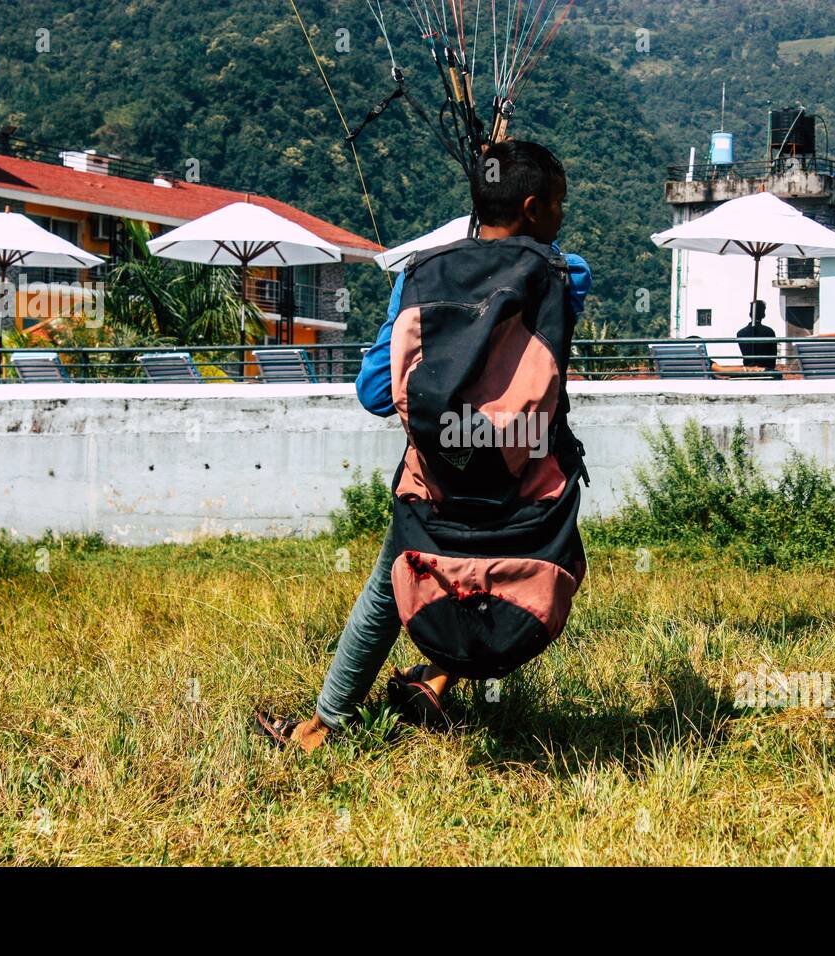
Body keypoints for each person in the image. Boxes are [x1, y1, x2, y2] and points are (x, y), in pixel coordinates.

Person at [254, 140, 592, 753]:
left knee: (389, 587)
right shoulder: (568, 278)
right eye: (559, 206)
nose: (562, 217)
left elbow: (376, 392)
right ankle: (436, 678)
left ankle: (324, 726)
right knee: (525, 566)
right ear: (534, 207)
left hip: (435, 488)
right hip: (528, 495)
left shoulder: (418, 278)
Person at [736, 299, 778, 373]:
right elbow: (773, 355)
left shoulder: (740, 333)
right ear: (763, 314)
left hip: (747, 369)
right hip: (766, 369)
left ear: (750, 314)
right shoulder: (769, 332)